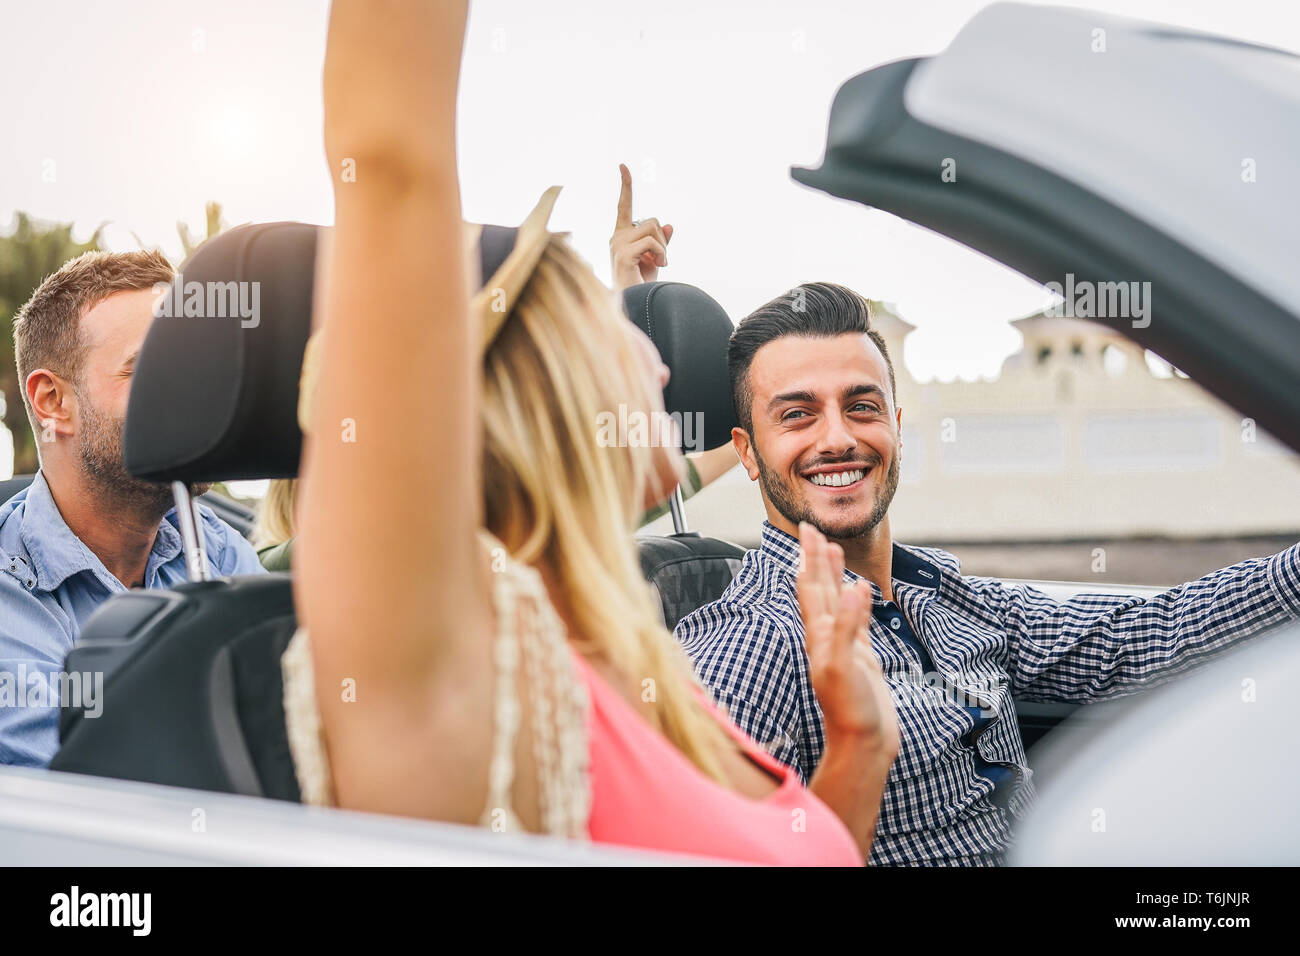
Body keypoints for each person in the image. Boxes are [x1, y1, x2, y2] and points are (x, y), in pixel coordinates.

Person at [286, 0, 897, 864]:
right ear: (540, 391)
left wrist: (859, 744)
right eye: (615, 325)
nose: (660, 360)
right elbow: (389, 159)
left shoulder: (640, 656)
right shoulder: (457, 659)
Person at [674, 281, 1300, 866]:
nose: (837, 438)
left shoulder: (945, 597)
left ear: (895, 424)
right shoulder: (748, 648)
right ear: (749, 453)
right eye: (797, 415)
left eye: (861, 406)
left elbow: (1139, 633)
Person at [252, 166, 736, 572]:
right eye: (591, 345)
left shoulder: (550, 570)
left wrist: (632, 304)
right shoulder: (333, 571)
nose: (659, 365)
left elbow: (678, 466)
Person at [0, 250, 265, 767]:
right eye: (151, 369)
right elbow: (90, 793)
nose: (190, 394)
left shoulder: (218, 552)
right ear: (53, 402)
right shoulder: (10, 592)